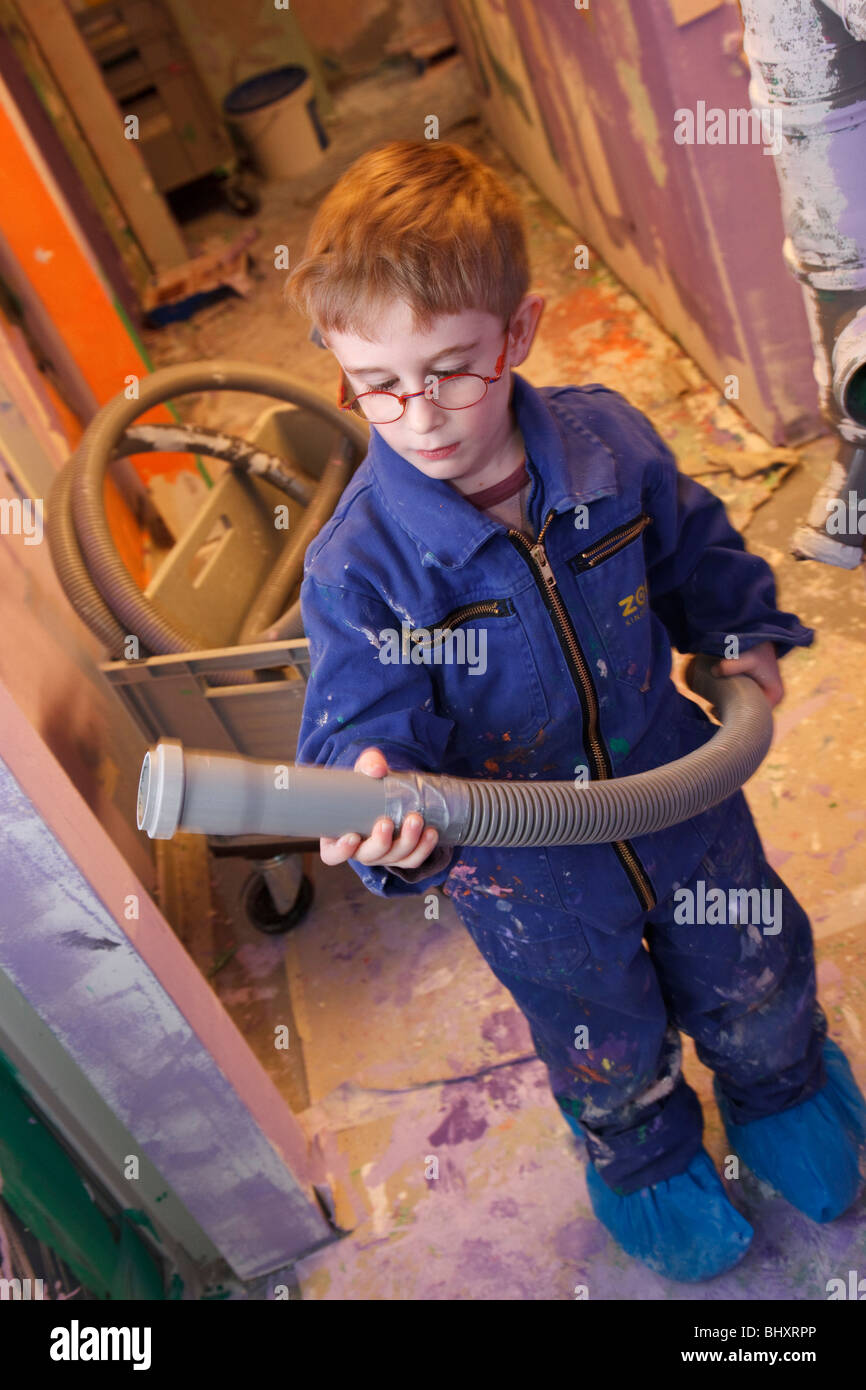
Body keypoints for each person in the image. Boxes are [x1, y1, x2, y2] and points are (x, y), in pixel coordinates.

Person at [287, 140, 866, 1282]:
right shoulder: (360, 566)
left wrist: (741, 634)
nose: (418, 413)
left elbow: (696, 547)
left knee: (748, 963)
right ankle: (647, 1164)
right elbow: (357, 717)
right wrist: (372, 794)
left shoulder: (610, 444)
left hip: (677, 792)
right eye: (377, 384)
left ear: (517, 331)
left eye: (450, 368)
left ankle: (785, 1093)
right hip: (527, 871)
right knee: (598, 1036)